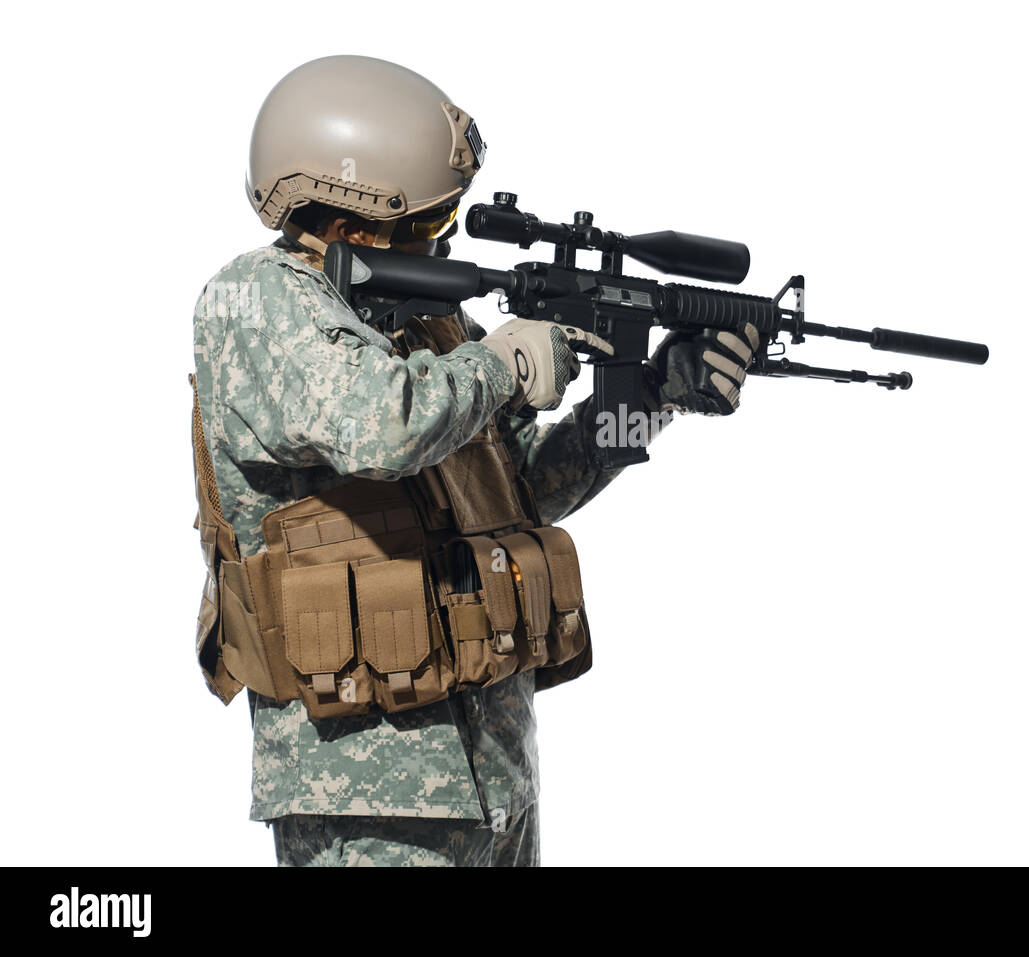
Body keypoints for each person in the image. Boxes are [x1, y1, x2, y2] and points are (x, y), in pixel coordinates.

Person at [190, 55, 756, 867]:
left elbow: (524, 490)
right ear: (347, 219)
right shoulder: (255, 301)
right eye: (423, 226)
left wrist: (659, 391)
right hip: (367, 797)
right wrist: (505, 364)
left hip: (495, 773)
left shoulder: (425, 327)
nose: (440, 244)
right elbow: (381, 423)